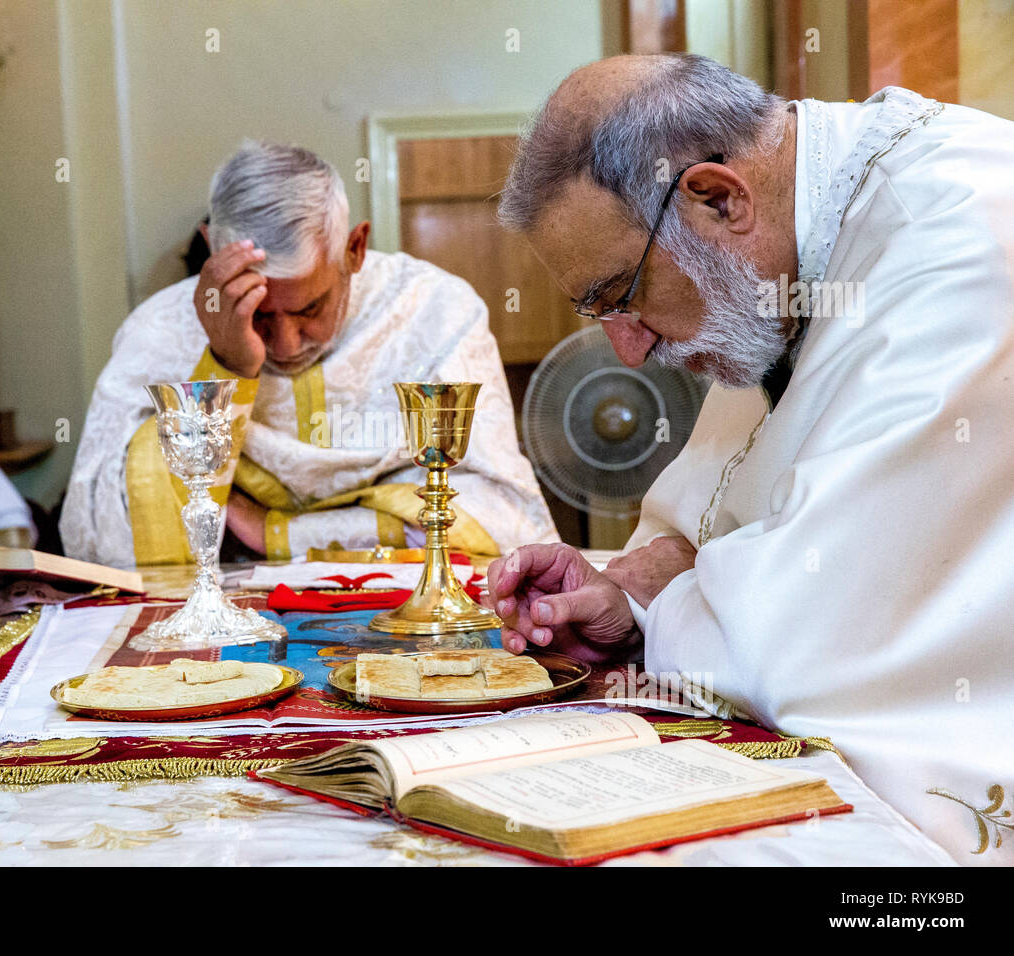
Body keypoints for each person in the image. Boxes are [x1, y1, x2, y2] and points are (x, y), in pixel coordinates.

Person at [486, 53, 1014, 865]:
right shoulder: (793, 244)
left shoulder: (955, 229)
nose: (626, 352)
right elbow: (724, 518)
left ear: (716, 196)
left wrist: (665, 611)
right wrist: (634, 598)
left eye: (620, 296)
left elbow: (824, 633)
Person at [61, 140, 557, 567]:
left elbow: (504, 518)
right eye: (258, 312)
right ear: (212, 250)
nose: (286, 344)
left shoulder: (433, 310)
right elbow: (107, 546)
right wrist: (228, 365)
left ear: (355, 248)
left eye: (310, 307)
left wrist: (276, 534)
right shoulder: (157, 330)